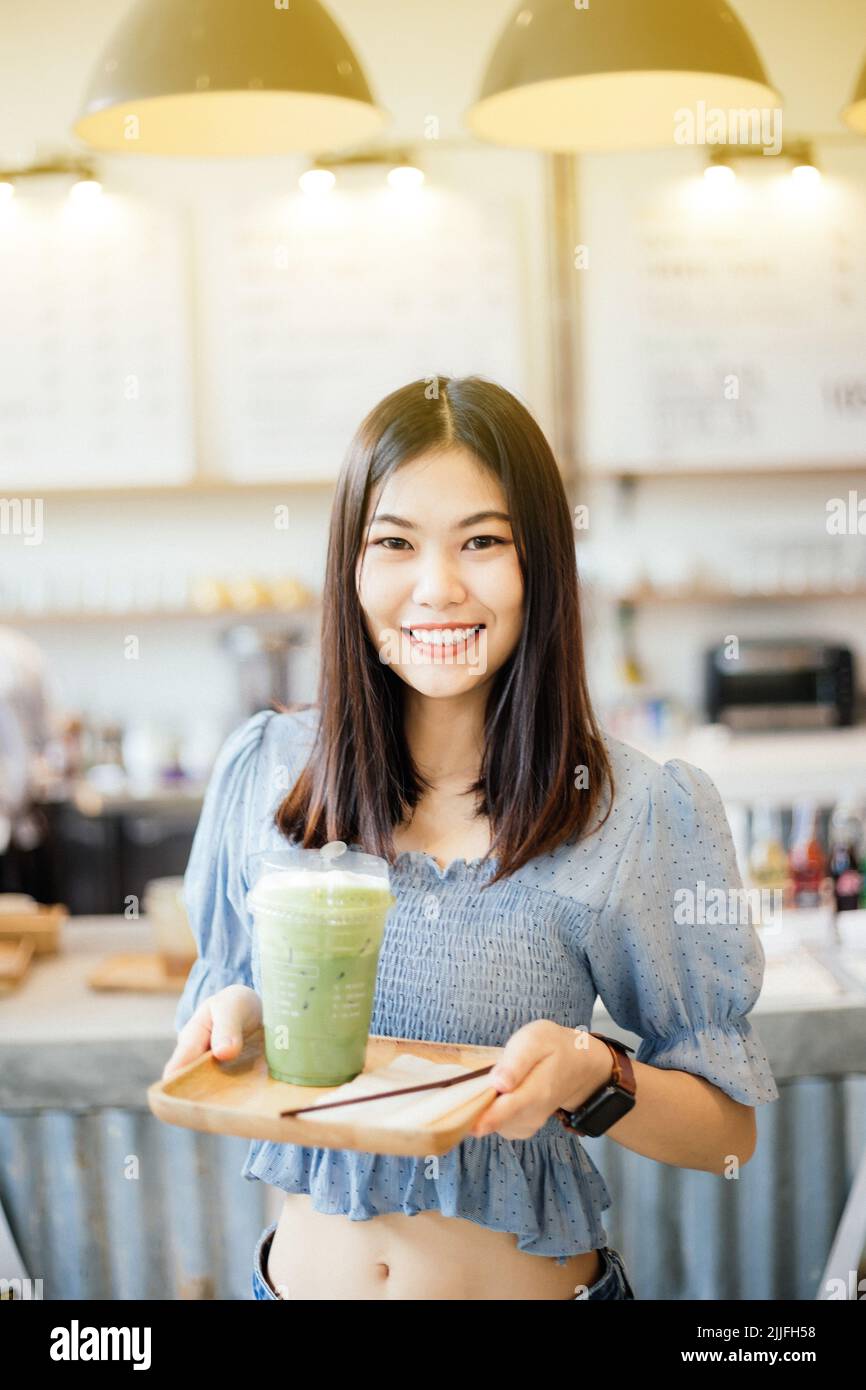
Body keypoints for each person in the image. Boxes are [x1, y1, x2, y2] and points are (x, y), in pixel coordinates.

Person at [163, 376, 779, 1301]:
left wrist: (590, 1072)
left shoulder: (639, 809)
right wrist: (246, 1021)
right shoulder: (267, 771)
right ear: (352, 567)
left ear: (540, 564)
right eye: (395, 544)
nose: (438, 588)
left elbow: (727, 1136)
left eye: (483, 542)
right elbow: (221, 1029)